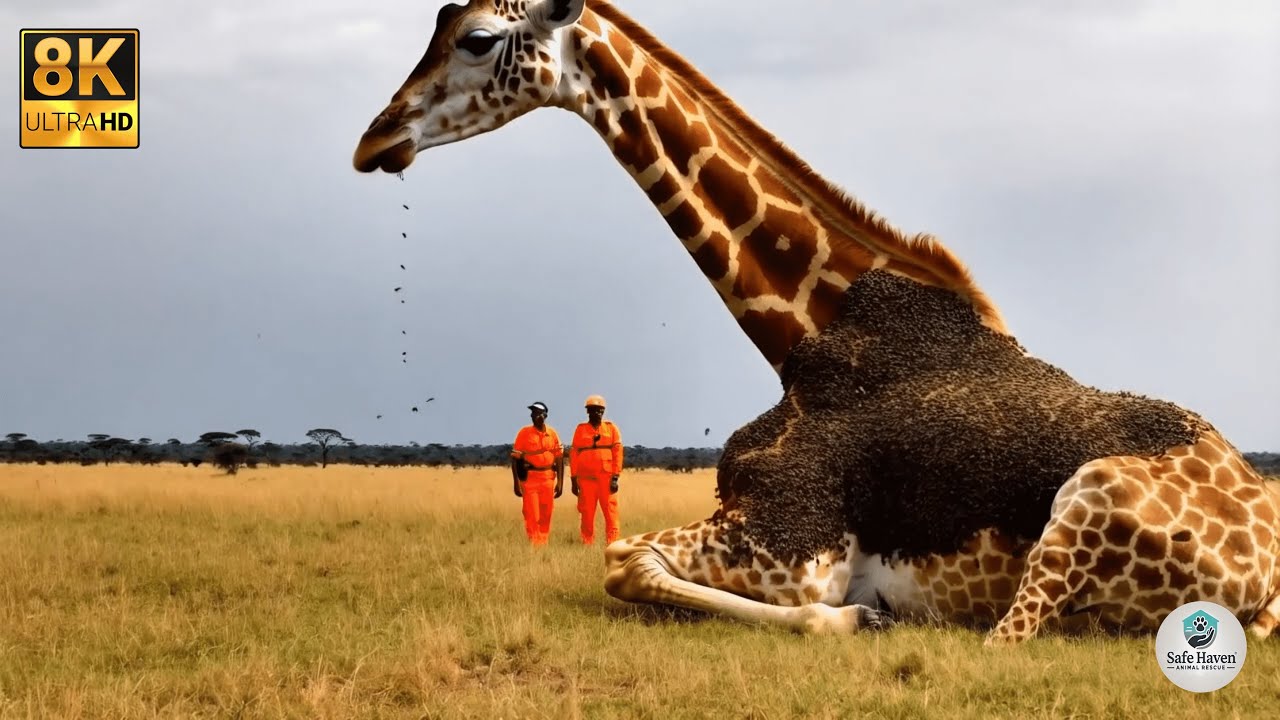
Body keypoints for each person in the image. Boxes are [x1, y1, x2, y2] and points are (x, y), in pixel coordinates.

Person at [569, 394, 624, 545]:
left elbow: (618, 453)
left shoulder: (611, 429)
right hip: (586, 480)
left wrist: (615, 477)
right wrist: (573, 480)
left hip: (606, 479)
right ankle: (587, 543)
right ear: (588, 411)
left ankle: (612, 543)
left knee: (611, 512)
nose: (597, 413)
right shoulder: (580, 430)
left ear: (603, 411)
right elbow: (573, 454)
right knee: (586, 513)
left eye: (600, 410)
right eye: (593, 410)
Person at [510, 401, 563, 546]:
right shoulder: (524, 434)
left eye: (538, 413)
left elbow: (559, 458)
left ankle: (543, 542)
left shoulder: (552, 434)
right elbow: (515, 459)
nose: (534, 416)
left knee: (546, 513)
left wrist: (560, 483)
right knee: (532, 513)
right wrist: (516, 483)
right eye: (533, 413)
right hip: (530, 479)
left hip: (548, 478)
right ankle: (535, 543)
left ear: (545, 415)